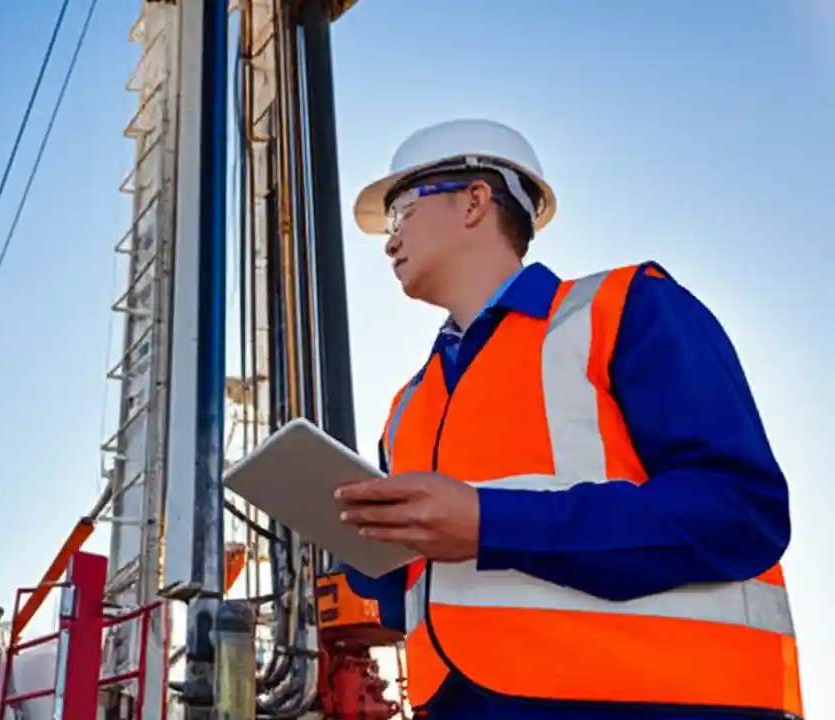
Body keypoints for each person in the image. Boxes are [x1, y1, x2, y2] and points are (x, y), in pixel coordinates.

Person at [334, 118, 803, 719]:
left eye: (400, 213)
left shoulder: (624, 308)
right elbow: (418, 604)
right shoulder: (408, 407)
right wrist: (364, 549)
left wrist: (489, 523)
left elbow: (740, 515)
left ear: (475, 200)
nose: (389, 241)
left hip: (654, 703)